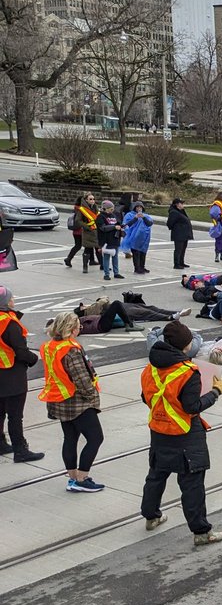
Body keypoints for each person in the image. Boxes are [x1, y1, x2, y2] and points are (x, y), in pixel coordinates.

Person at [140, 321, 222, 546]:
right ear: (186, 346)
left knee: (156, 475)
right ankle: (201, 532)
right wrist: (217, 391)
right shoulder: (187, 372)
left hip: (159, 430)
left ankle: (151, 516)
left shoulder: (150, 368)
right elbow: (192, 407)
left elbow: (146, 397)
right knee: (192, 485)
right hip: (185, 435)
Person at [38, 312, 105, 492]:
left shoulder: (48, 346)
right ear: (72, 329)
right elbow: (82, 378)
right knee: (96, 438)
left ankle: (73, 477)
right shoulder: (71, 349)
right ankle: (82, 479)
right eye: (78, 326)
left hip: (58, 399)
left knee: (70, 438)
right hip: (77, 402)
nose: (80, 328)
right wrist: (92, 398)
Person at [0, 288, 44, 462]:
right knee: (15, 415)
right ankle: (20, 449)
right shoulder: (9, 323)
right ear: (6, 302)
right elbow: (21, 351)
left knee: (0, 412)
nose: (14, 300)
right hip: (12, 374)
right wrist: (34, 359)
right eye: (11, 298)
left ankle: (1, 444)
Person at [120, 202, 153, 275]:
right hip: (133, 238)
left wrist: (143, 217)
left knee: (143, 253)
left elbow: (149, 224)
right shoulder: (129, 215)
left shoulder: (146, 216)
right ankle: (137, 268)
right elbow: (126, 224)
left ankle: (142, 266)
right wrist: (135, 218)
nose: (139, 208)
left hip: (143, 238)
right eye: (137, 207)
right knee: (136, 253)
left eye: (140, 207)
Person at [96, 199, 124, 281]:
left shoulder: (114, 215)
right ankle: (106, 274)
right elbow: (103, 228)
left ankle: (116, 272)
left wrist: (120, 227)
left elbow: (118, 223)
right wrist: (114, 227)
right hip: (106, 240)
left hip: (115, 239)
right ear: (105, 209)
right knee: (106, 257)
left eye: (113, 209)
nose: (112, 211)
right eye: (110, 209)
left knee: (115, 256)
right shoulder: (100, 217)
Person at [166, 198, 192, 269]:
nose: (183, 205)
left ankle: (181, 262)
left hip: (184, 234)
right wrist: (177, 228)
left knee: (183, 249)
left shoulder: (181, 211)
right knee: (178, 249)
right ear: (177, 204)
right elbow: (169, 223)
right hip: (179, 234)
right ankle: (176, 264)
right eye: (181, 203)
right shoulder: (174, 212)